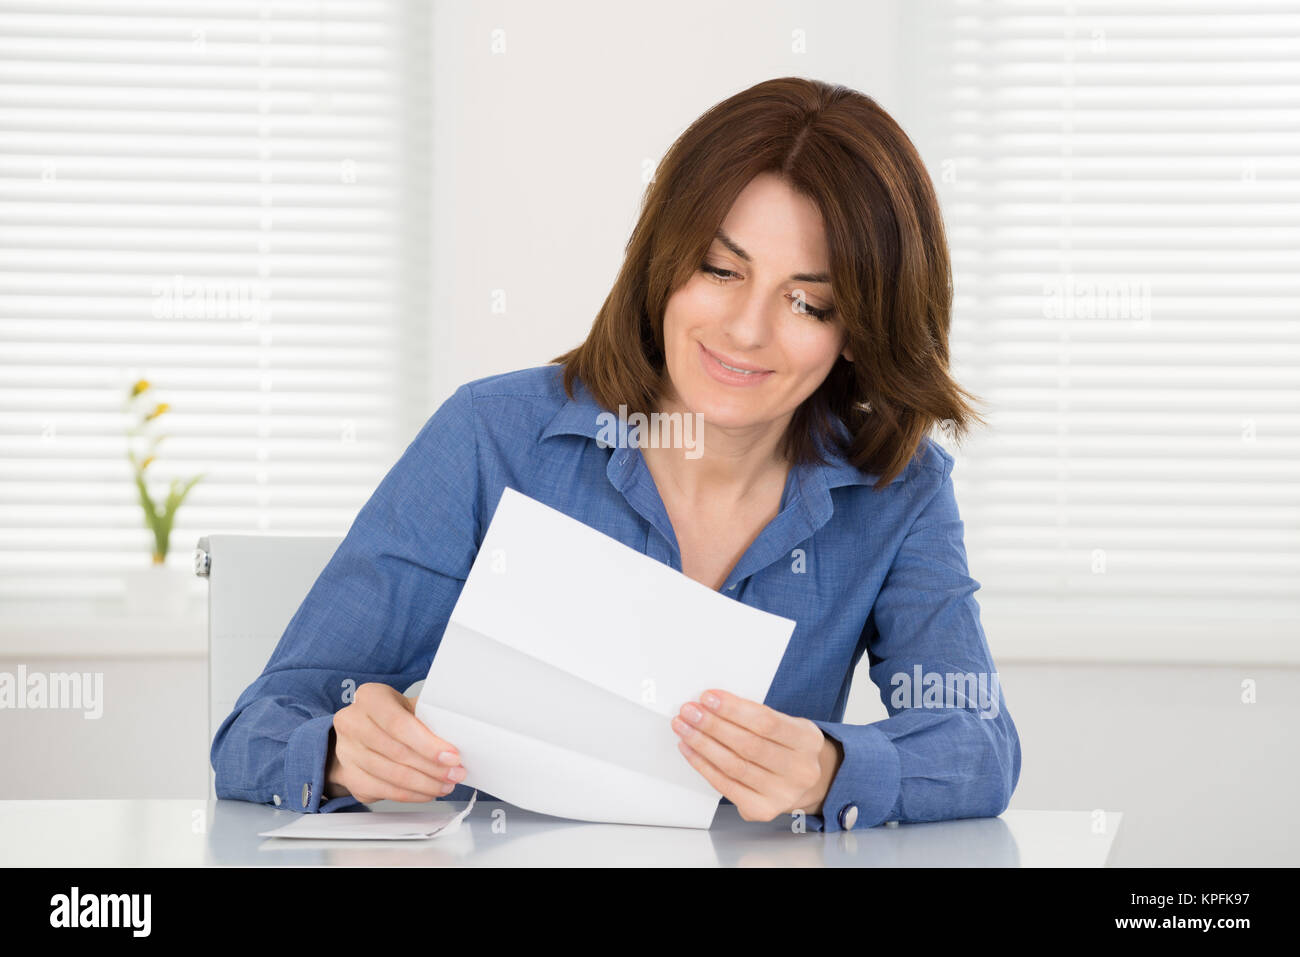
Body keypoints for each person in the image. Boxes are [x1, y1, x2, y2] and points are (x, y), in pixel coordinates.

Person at [210, 76, 1021, 831]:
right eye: (719, 269)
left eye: (809, 302)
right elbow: (259, 728)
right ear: (663, 264)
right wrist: (343, 753)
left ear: (858, 333)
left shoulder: (896, 488)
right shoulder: (493, 438)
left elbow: (980, 742)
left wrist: (831, 767)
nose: (746, 330)